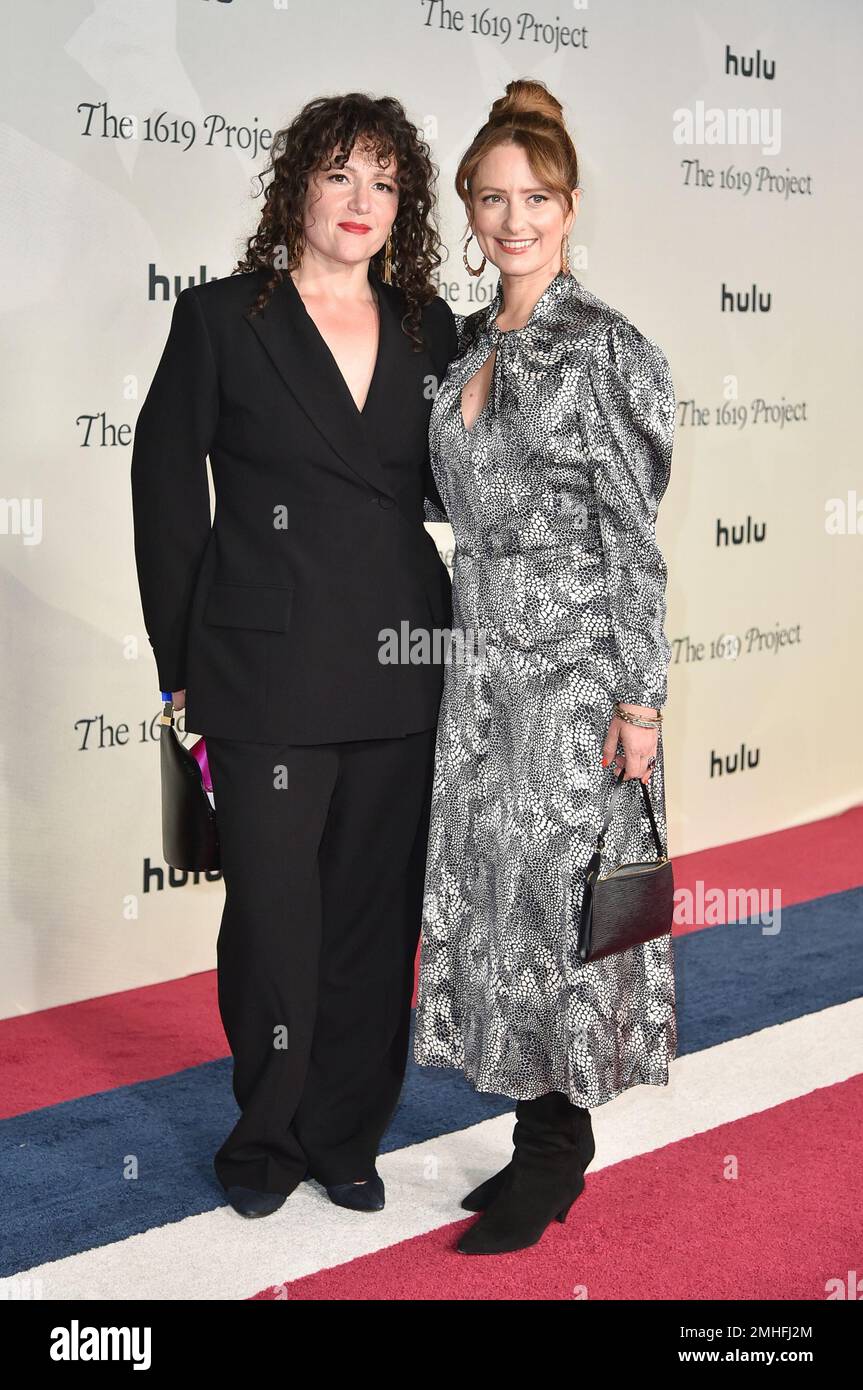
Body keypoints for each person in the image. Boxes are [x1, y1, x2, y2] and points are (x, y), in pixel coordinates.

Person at [131, 93, 457, 1217]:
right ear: (296, 191)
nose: (360, 201)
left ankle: (343, 1132)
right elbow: (167, 495)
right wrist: (179, 668)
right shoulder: (226, 317)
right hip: (263, 671)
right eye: (337, 175)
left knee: (374, 913)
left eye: (382, 180)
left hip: (403, 663)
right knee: (273, 917)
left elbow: (464, 491)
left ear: (401, 201)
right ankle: (264, 1139)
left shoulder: (432, 327)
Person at [413, 78, 678, 1255]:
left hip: (575, 679)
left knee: (568, 911)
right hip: (480, 677)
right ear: (468, 211)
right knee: (500, 907)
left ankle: (555, 1153)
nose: (510, 220)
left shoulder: (604, 349)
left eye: (534, 197)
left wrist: (639, 698)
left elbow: (632, 535)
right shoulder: (469, 346)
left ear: (568, 207)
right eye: (489, 198)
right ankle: (531, 1128)